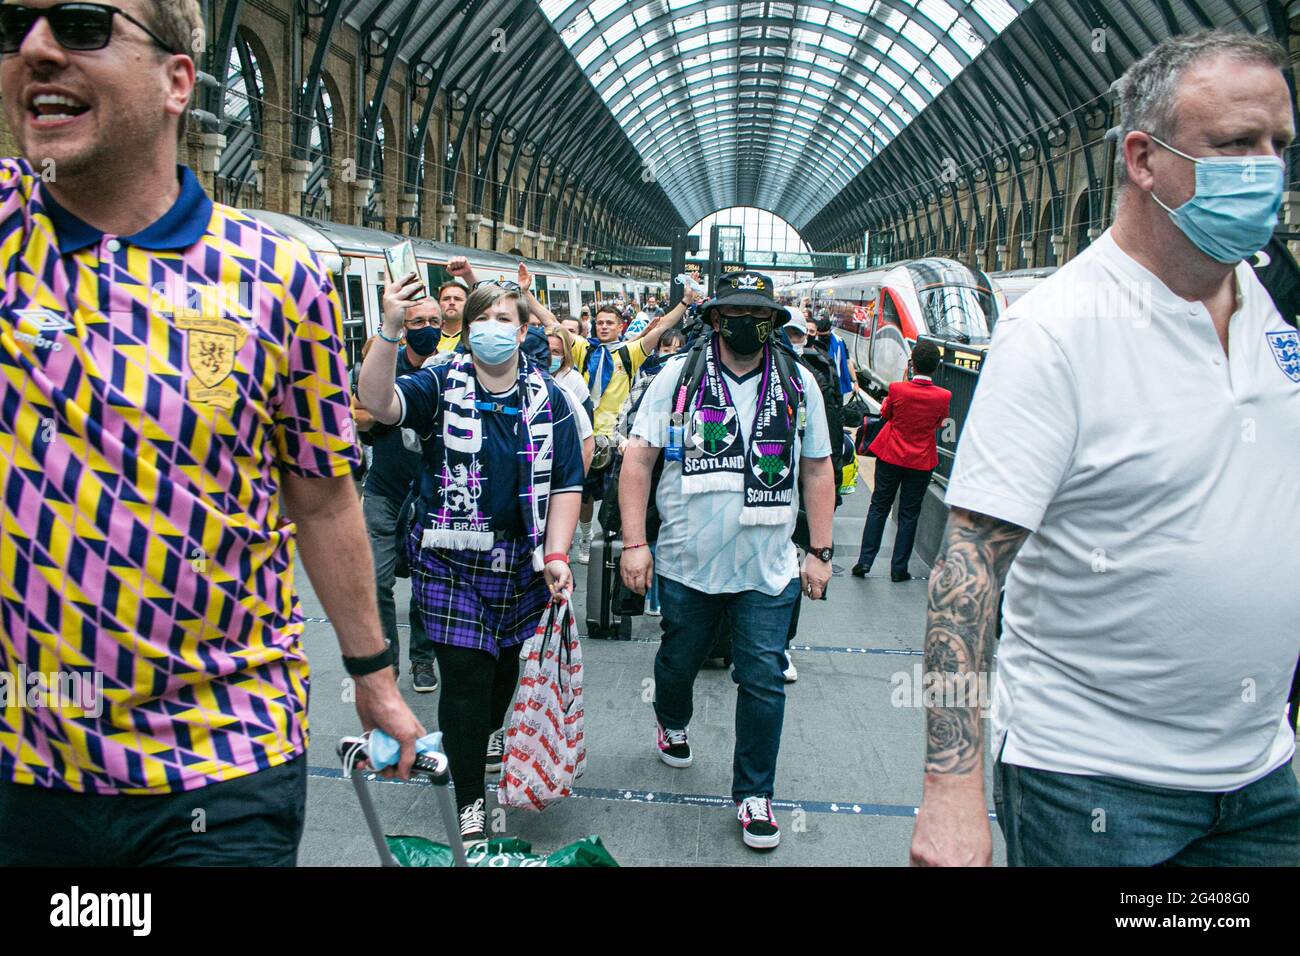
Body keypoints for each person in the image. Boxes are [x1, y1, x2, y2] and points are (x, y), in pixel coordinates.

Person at [0, 0, 424, 866]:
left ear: (177, 80)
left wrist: (374, 675)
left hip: (220, 755)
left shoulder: (276, 277)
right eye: (14, 24)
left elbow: (322, 494)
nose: (37, 46)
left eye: (81, 25)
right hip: (22, 753)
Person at [910, 30, 1300, 868]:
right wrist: (950, 792)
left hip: (1266, 776)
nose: (1267, 170)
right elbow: (967, 570)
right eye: (1235, 145)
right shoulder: (1054, 331)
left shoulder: (1275, 305)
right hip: (1095, 785)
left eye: (1280, 146)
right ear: (1142, 159)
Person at [358, 280, 583, 845]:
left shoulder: (550, 400)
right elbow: (379, 402)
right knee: (466, 678)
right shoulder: (439, 382)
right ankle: (469, 804)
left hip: (521, 562)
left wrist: (556, 552)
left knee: (501, 678)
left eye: (505, 318)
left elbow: (566, 483)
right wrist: (388, 330)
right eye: (483, 317)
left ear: (524, 331)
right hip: (449, 557)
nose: (491, 327)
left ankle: (474, 741)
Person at [619, 270, 836, 851]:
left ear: (773, 320)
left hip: (766, 567)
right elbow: (637, 461)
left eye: (759, 314)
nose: (749, 323)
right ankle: (671, 718)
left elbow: (816, 467)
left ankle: (755, 796)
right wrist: (635, 542)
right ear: (715, 318)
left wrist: (819, 551)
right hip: (688, 563)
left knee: (763, 678)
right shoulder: (675, 379)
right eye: (736, 312)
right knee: (679, 660)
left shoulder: (798, 386)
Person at [354, 299, 445, 693]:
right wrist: (376, 412)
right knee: (376, 581)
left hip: (431, 494)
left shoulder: (450, 369)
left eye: (434, 321)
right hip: (385, 491)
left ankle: (422, 659)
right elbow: (359, 414)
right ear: (403, 326)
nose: (427, 326)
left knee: (426, 582)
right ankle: (386, 661)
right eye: (418, 321)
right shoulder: (384, 365)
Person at [571, 298, 690, 563]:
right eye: (599, 322)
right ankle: (587, 537)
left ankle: (608, 539)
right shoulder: (583, 350)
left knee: (614, 493)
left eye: (609, 323)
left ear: (620, 325)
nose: (603, 327)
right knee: (585, 494)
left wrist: (684, 303)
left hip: (618, 437)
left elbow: (662, 329)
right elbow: (551, 326)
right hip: (587, 436)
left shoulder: (629, 352)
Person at [851, 340, 950, 583]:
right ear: (936, 367)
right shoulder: (943, 396)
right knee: (909, 514)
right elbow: (939, 423)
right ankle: (899, 569)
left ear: (912, 364)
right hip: (921, 461)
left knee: (879, 506)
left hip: (891, 455)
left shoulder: (897, 389)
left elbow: (886, 414)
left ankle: (865, 560)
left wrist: (906, 381)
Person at [546, 323, 595, 473]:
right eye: (546, 350)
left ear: (564, 354)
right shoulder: (528, 376)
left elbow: (586, 432)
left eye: (555, 352)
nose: (549, 356)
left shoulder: (574, 380)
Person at [433, 267, 472, 353]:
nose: (451, 302)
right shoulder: (429, 335)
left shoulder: (474, 337)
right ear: (438, 303)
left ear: (467, 304)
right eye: (446, 299)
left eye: (457, 299)